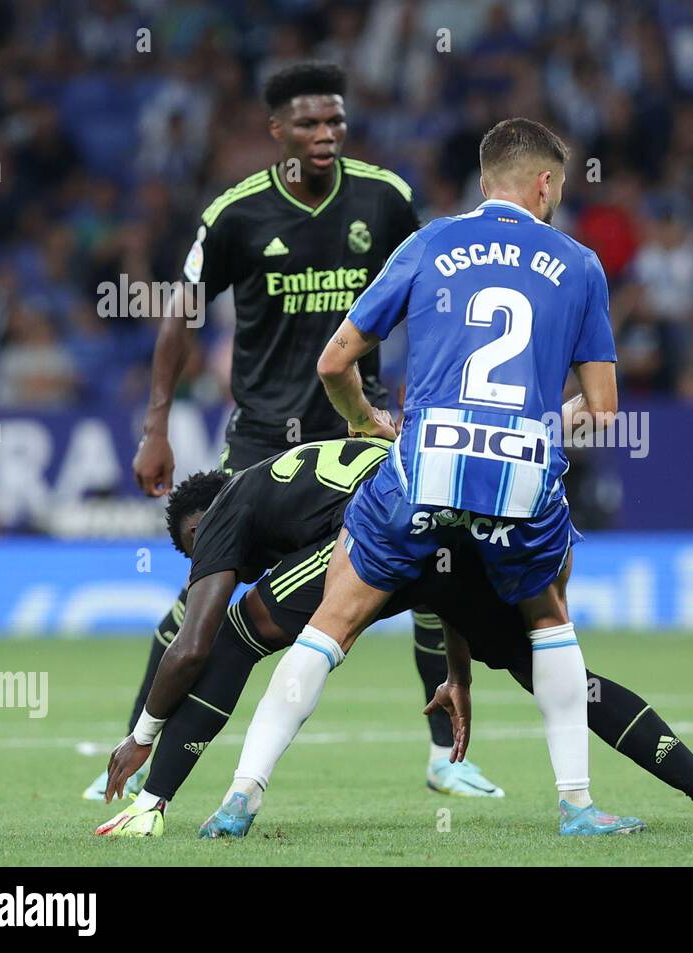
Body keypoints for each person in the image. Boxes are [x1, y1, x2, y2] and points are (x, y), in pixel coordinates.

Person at [208, 117, 645, 837]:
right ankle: (578, 806)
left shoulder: (429, 243)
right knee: (549, 623)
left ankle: (240, 798)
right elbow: (602, 411)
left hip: (425, 464)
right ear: (544, 184)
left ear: (484, 182)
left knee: (330, 625)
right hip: (519, 478)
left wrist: (365, 419)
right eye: (559, 187)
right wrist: (532, 427)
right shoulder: (581, 265)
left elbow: (333, 361)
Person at [85, 62, 503, 804]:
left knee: (432, 567)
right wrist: (157, 426)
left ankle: (446, 756)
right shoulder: (238, 214)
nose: (325, 135)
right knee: (200, 606)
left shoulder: (385, 198)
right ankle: (135, 752)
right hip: (261, 446)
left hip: (359, 429)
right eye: (308, 123)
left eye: (335, 122)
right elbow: (180, 314)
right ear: (275, 130)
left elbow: (436, 296)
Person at [94, 440, 693, 837]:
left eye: (194, 542)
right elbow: (433, 585)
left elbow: (192, 646)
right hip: (456, 522)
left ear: (202, 519)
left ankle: (179, 804)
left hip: (378, 528)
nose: (206, 556)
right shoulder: (293, 477)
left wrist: (142, 736)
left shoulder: (227, 509)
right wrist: (458, 675)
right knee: (557, 674)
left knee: (240, 634)